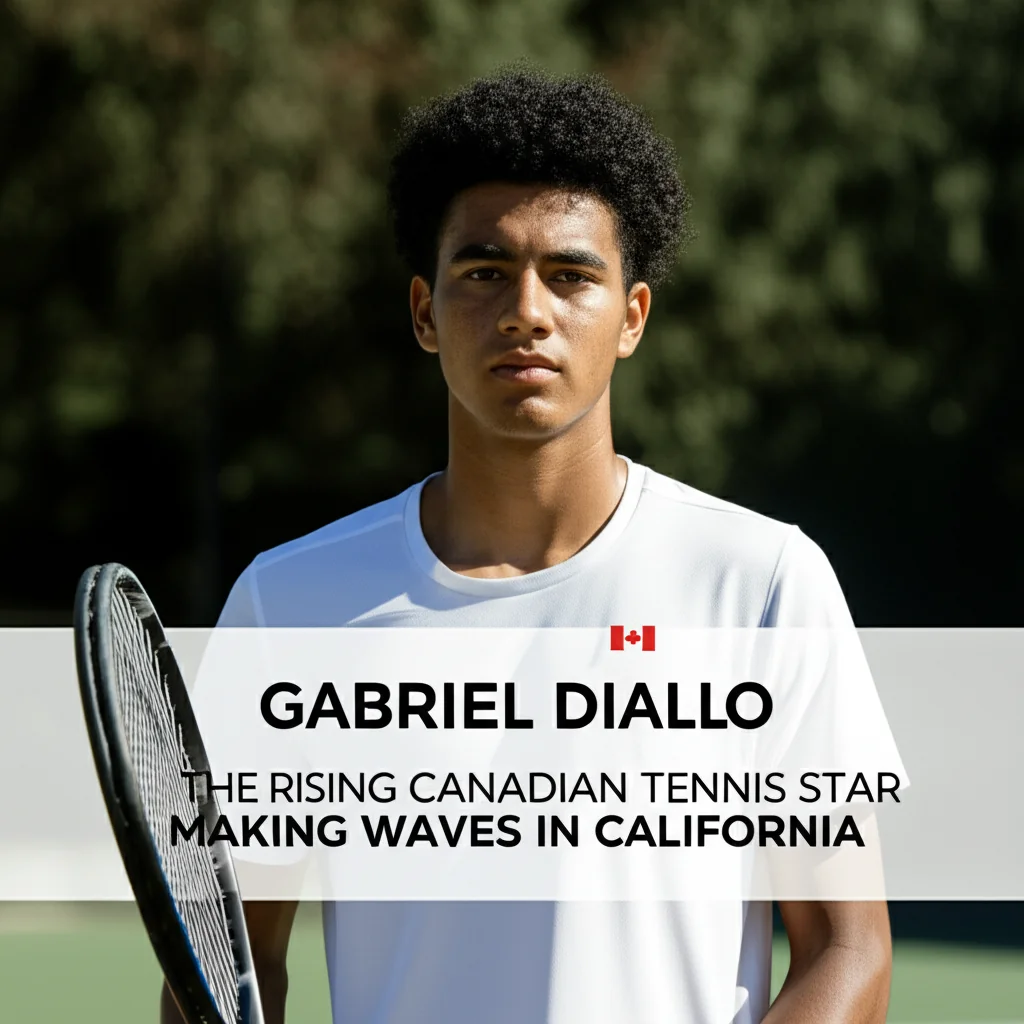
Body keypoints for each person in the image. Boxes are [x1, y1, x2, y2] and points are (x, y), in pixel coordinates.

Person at [163, 67, 892, 1024]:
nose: (527, 312)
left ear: (632, 316)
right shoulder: (293, 601)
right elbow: (231, 967)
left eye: (572, 274)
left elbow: (848, 952)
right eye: (484, 272)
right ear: (424, 312)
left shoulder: (761, 583)